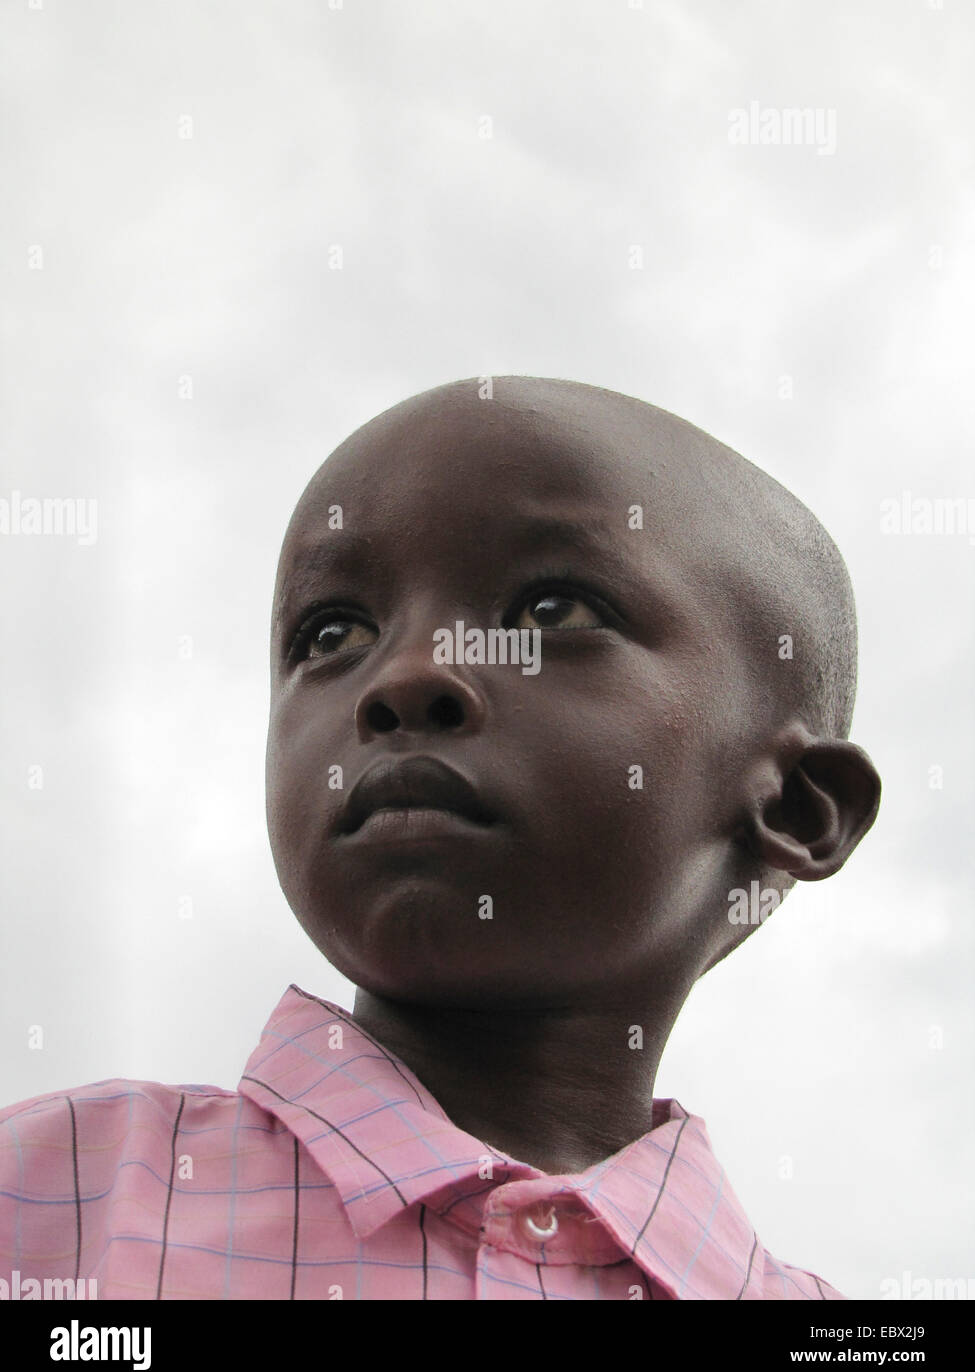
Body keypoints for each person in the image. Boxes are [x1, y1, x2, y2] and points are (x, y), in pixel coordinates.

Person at [0, 376, 881, 1300]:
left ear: (796, 808)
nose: (408, 674)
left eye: (550, 613)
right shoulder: (54, 1197)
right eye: (332, 632)